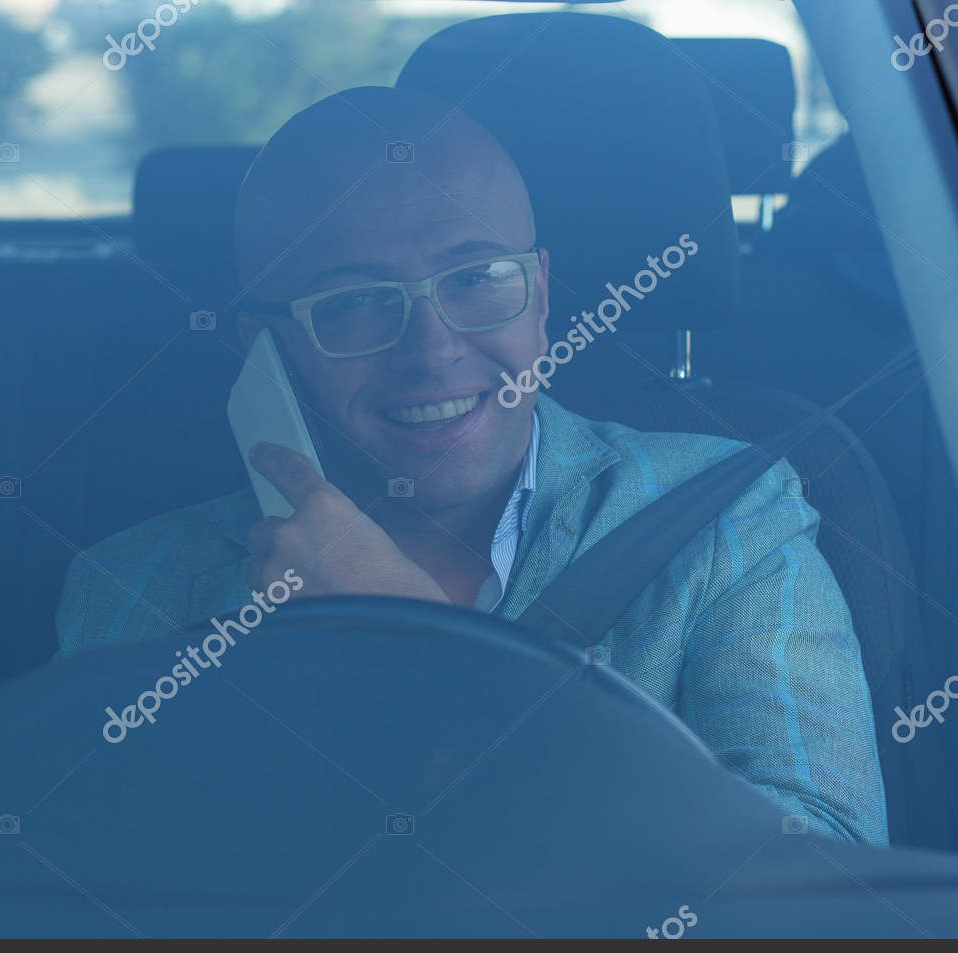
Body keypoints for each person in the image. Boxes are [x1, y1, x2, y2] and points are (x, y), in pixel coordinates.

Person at [57, 86, 887, 845]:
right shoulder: (135, 592)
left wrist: (426, 652)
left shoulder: (728, 521)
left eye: (480, 278)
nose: (434, 349)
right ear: (262, 346)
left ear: (543, 293)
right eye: (351, 301)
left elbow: (830, 905)